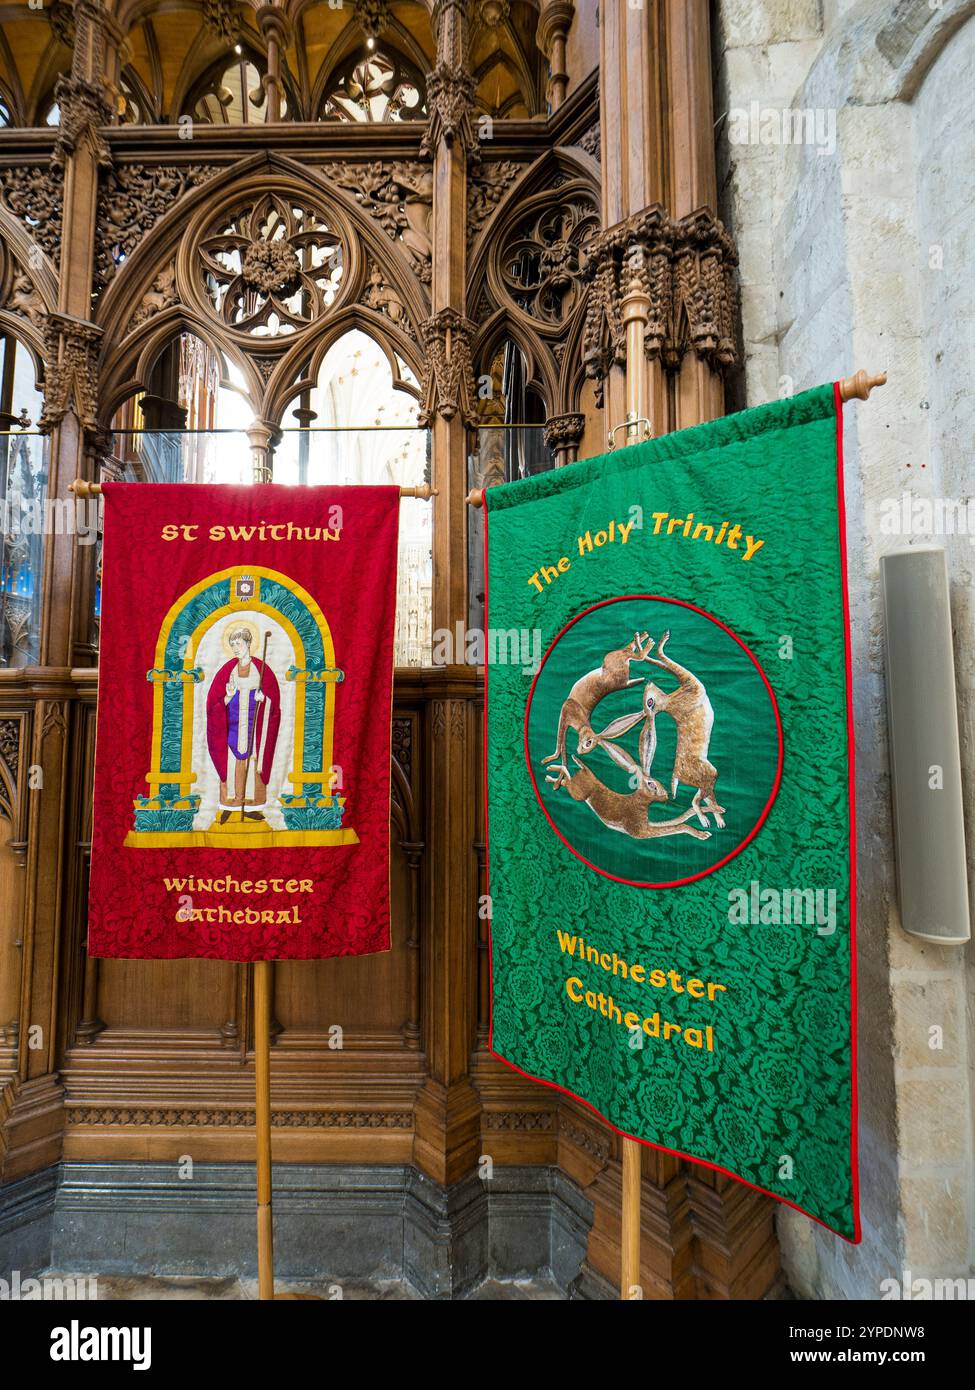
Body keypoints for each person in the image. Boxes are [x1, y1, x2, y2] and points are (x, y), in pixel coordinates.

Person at [206, 626, 281, 820]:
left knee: (253, 764)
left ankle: (250, 808)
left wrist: (263, 698)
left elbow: (274, 703)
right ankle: (229, 805)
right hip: (231, 730)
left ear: (248, 643)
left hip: (254, 730)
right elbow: (214, 705)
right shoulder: (227, 671)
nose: (235, 648)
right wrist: (229, 697)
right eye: (232, 645)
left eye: (238, 644)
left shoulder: (262, 669)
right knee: (232, 765)